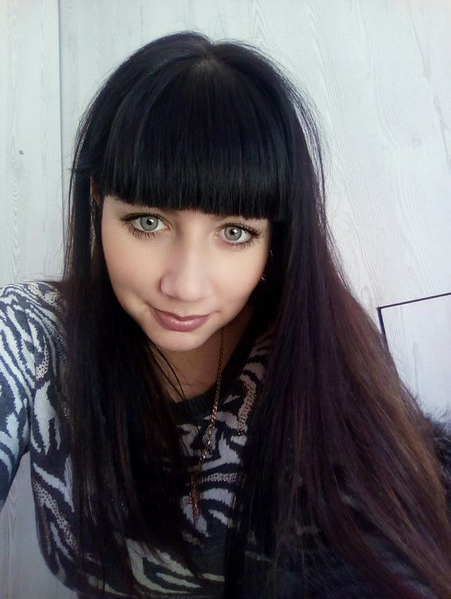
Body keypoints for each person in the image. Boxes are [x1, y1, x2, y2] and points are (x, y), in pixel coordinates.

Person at [0, 32, 450, 599]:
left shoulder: (317, 359)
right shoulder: (32, 335)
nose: (185, 286)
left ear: (275, 238)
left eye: (234, 232)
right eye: (147, 222)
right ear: (97, 200)